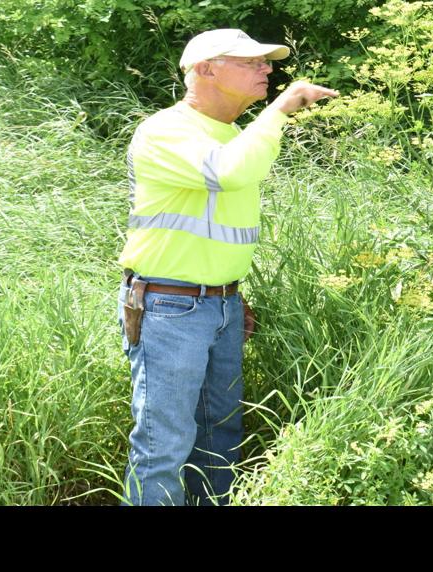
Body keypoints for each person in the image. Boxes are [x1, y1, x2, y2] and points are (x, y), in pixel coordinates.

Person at [116, 28, 338, 505]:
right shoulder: (165, 130)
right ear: (205, 69)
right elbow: (228, 173)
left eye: (266, 62)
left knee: (219, 438)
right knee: (163, 447)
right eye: (251, 61)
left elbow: (215, 221)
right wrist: (279, 110)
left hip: (218, 304)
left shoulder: (234, 133)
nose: (268, 69)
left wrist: (225, 297)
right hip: (168, 306)